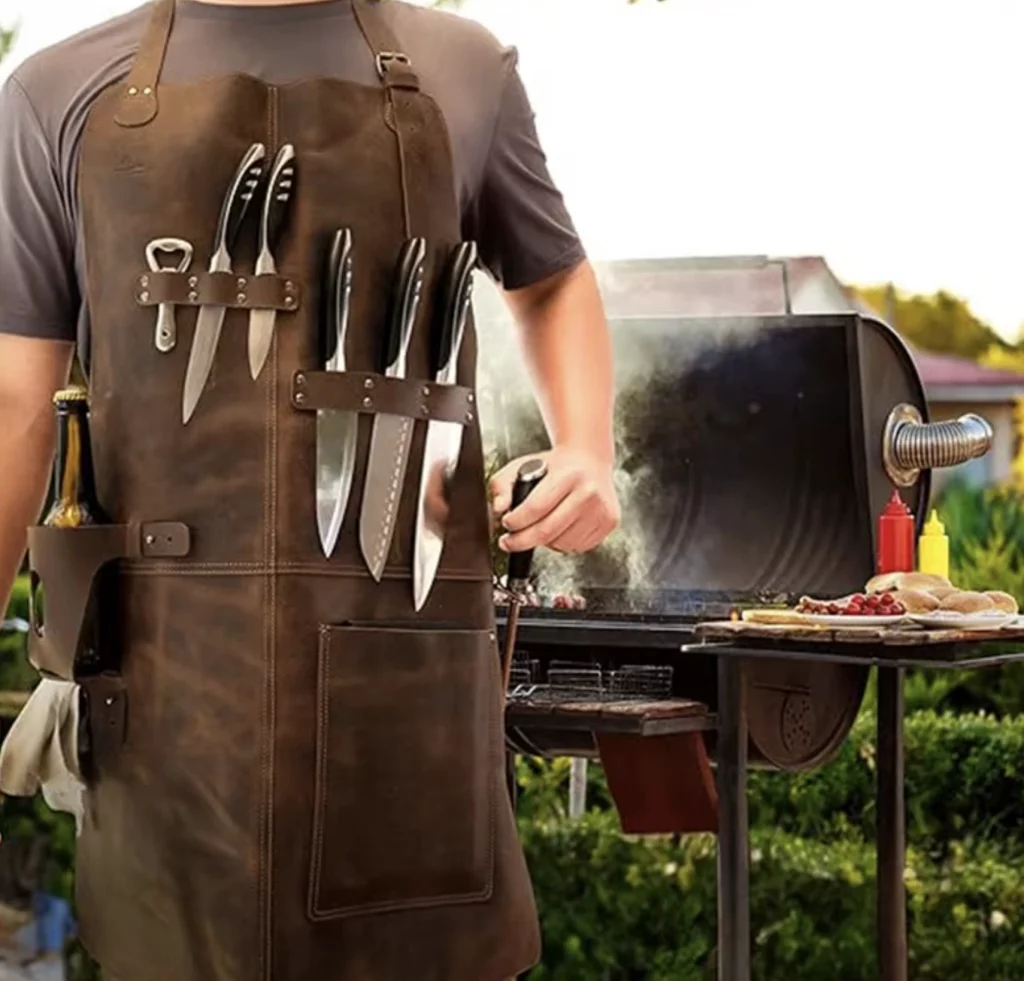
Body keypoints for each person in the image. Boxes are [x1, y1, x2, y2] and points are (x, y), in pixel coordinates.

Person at [0, 1, 619, 979]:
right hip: (166, 692)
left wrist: (587, 447)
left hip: (406, 687)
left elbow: (549, 280)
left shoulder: (463, 67)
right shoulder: (55, 91)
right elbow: (15, 405)